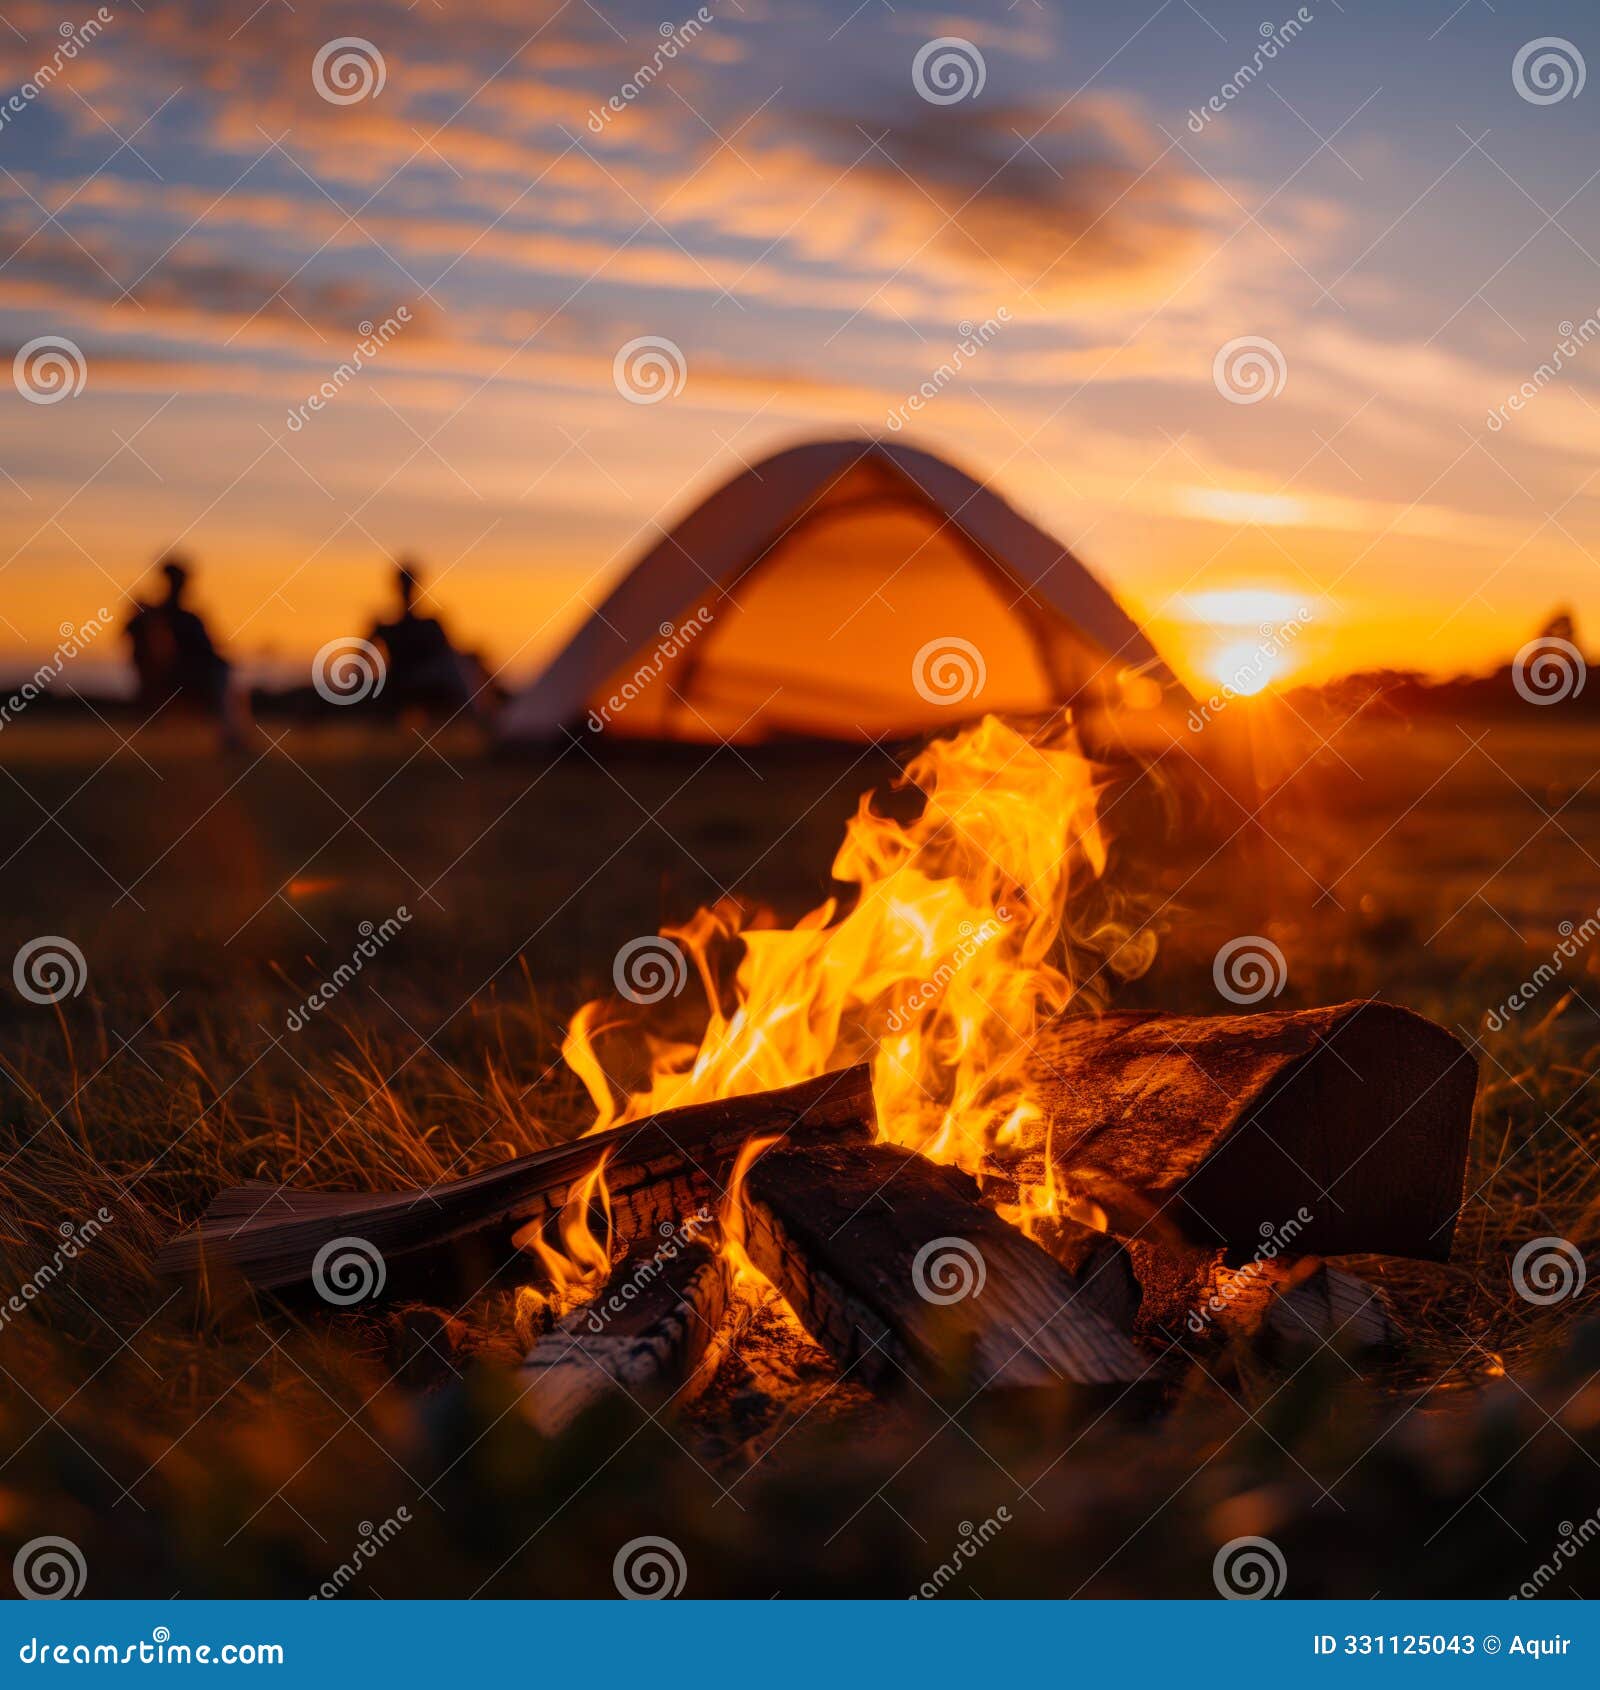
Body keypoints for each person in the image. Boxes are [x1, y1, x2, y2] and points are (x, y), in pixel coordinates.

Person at [124, 556, 248, 748]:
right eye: (177, 581)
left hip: (188, 676)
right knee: (221, 673)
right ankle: (233, 737)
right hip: (179, 678)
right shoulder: (159, 616)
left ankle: (234, 735)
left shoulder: (184, 616)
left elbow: (209, 647)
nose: (180, 587)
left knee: (223, 671)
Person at [367, 561, 488, 724]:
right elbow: (359, 660)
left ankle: (484, 717)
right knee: (455, 669)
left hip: (428, 684)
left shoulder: (430, 624)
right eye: (406, 584)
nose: (408, 589)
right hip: (405, 684)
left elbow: (451, 654)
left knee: (464, 663)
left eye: (410, 584)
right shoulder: (387, 626)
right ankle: (479, 719)